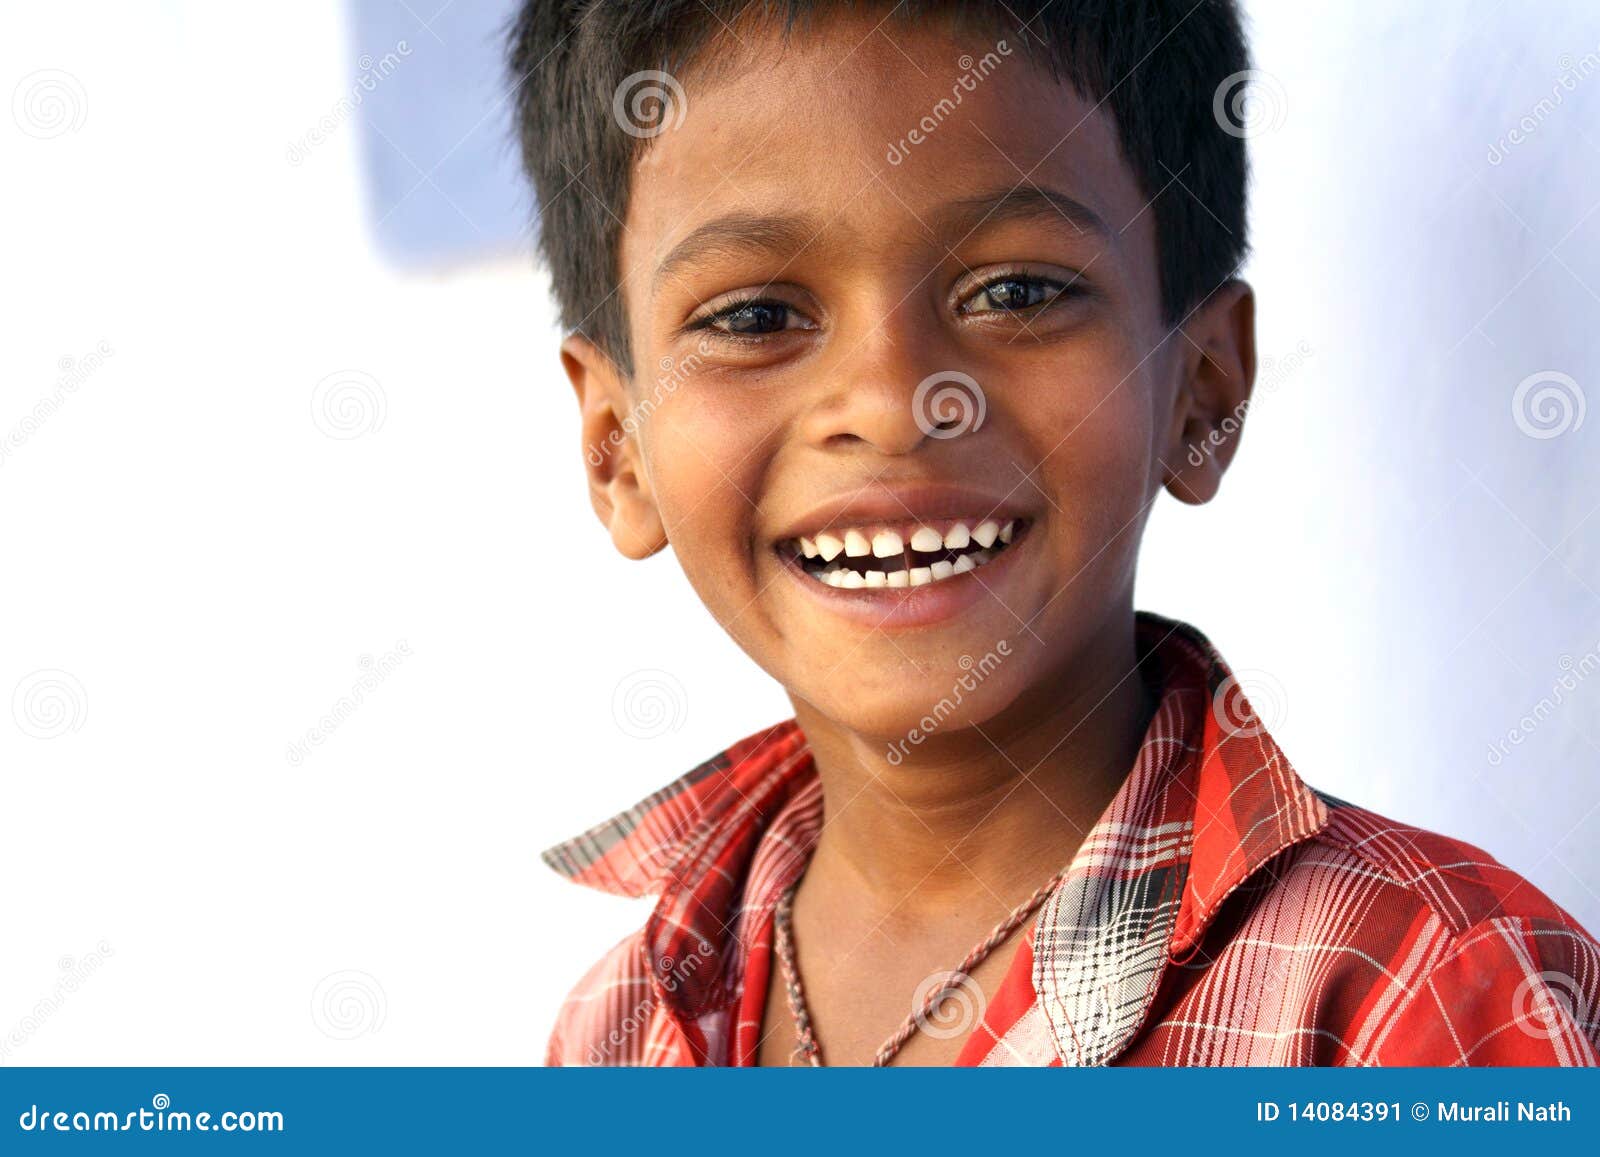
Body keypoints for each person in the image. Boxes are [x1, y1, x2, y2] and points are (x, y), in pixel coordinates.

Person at [508, 0, 1600, 1066]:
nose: (895, 402)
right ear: (615, 447)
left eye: (1016, 290)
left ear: (1202, 391)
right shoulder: (619, 1028)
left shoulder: (1417, 1000)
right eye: (754, 317)